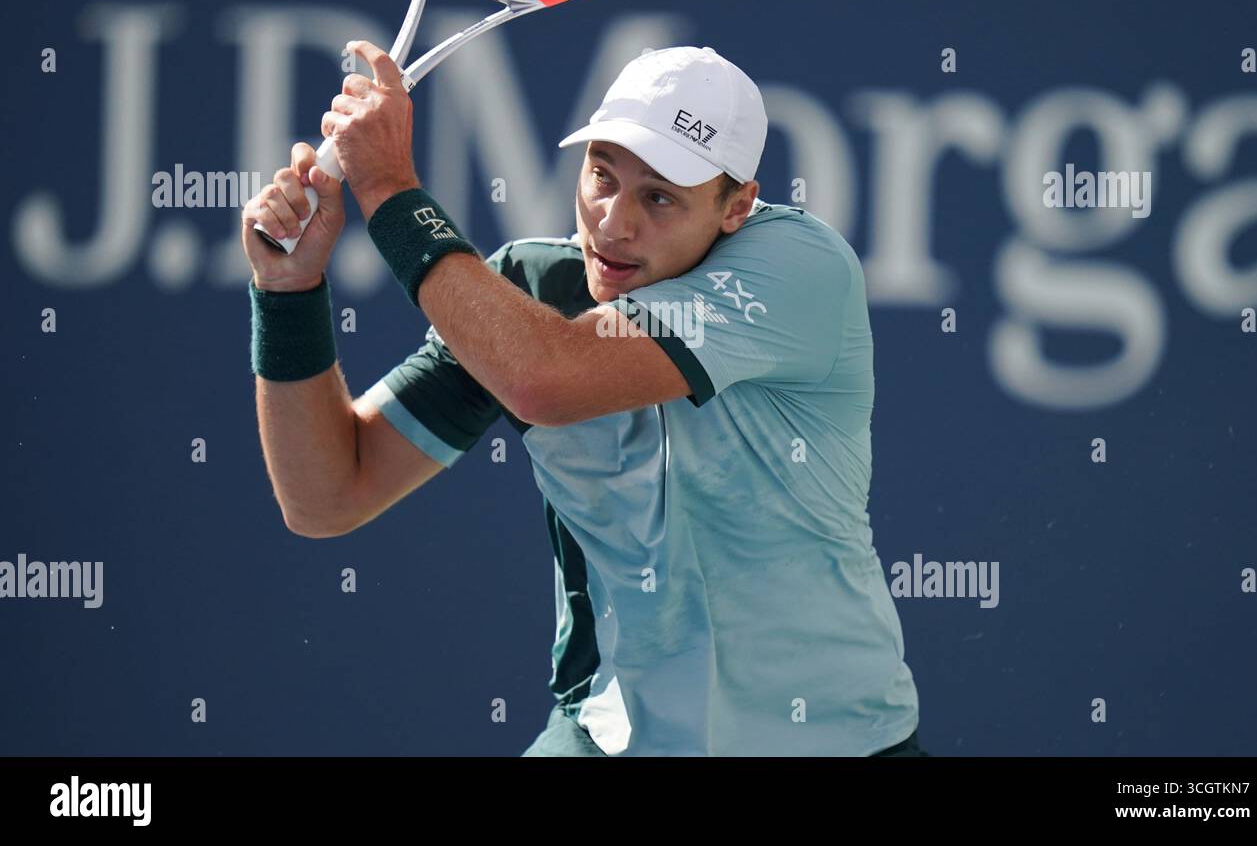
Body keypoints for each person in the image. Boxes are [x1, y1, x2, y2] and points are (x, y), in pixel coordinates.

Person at [242, 43, 925, 756]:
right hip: (611, 736)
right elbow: (326, 496)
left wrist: (387, 186)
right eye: (602, 175)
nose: (614, 222)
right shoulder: (527, 295)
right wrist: (288, 296)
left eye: (659, 196)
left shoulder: (800, 266)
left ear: (738, 206)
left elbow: (545, 378)